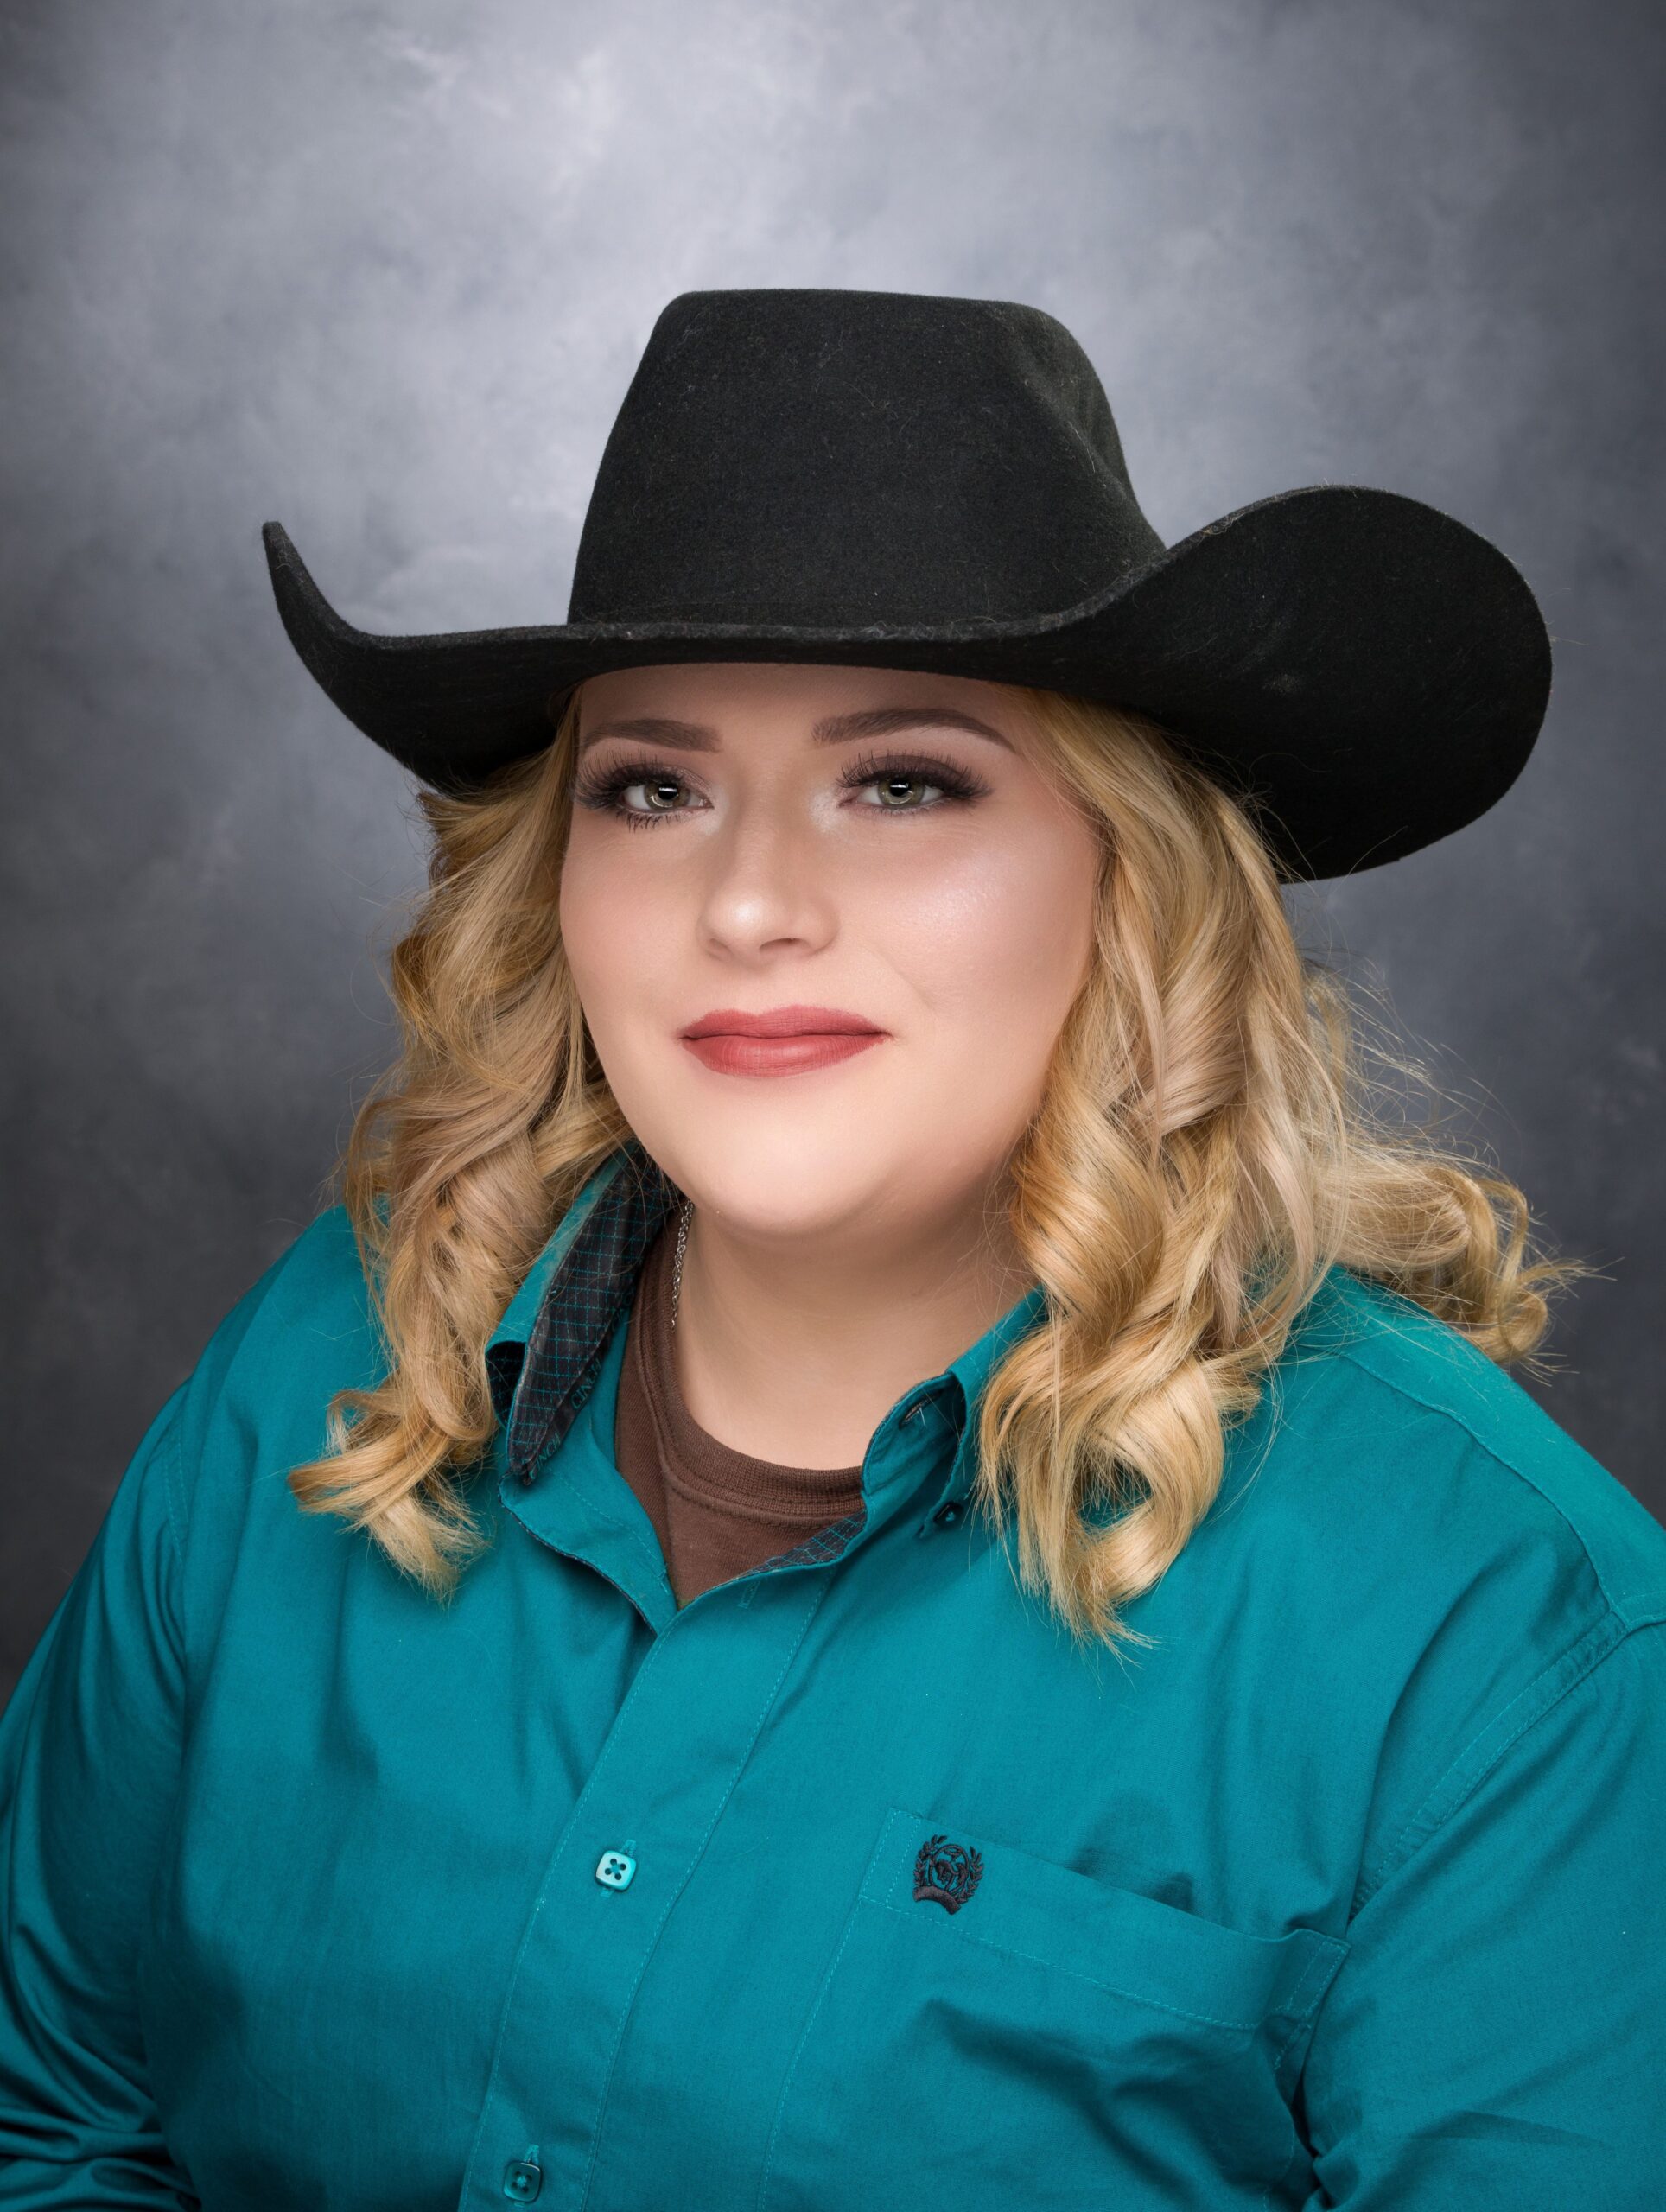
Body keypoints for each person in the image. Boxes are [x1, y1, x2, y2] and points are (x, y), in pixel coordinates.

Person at [2, 287, 1661, 2209]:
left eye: (903, 782)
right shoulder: (327, 1355)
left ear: (1130, 879)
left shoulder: (1502, 1641)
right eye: (653, 787)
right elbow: (47, 2114)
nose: (755, 900)